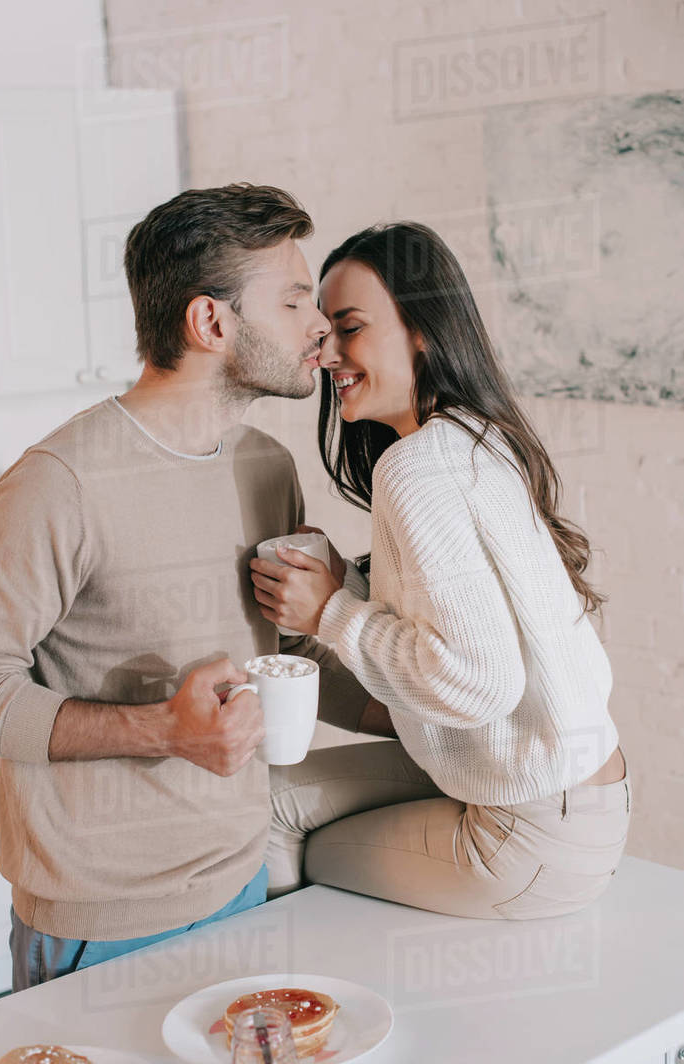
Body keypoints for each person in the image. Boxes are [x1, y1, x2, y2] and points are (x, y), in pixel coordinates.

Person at [0, 185, 389, 990]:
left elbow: (289, 651)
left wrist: (423, 713)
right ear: (211, 322)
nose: (319, 326)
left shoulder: (263, 468)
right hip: (101, 928)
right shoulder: (59, 483)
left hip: (246, 878)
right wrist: (162, 731)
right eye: (292, 301)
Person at [250, 222, 630, 920]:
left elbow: (475, 682)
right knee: (273, 792)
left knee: (272, 821)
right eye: (321, 330)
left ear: (421, 331)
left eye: (349, 327)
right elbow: (463, 631)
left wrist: (330, 611)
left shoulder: (417, 465)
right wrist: (348, 584)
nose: (325, 352)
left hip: (529, 832)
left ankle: (295, 1020)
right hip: (574, 794)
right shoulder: (472, 438)